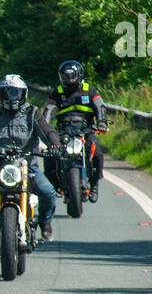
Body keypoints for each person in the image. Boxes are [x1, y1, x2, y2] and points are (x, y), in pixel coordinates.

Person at [0, 74, 61, 245]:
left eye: (15, 93)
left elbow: (48, 131)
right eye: (7, 93)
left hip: (28, 166)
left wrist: (56, 145)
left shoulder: (32, 113)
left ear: (23, 94)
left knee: (48, 192)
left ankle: (45, 223)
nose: (11, 97)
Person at [45, 60, 108, 201]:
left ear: (79, 75)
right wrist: (46, 126)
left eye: (72, 76)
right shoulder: (58, 92)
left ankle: (94, 185)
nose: (69, 80)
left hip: (86, 129)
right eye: (65, 77)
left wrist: (102, 122)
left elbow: (99, 105)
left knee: (97, 153)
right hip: (64, 131)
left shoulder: (89, 89)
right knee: (50, 155)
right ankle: (56, 185)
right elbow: (49, 110)